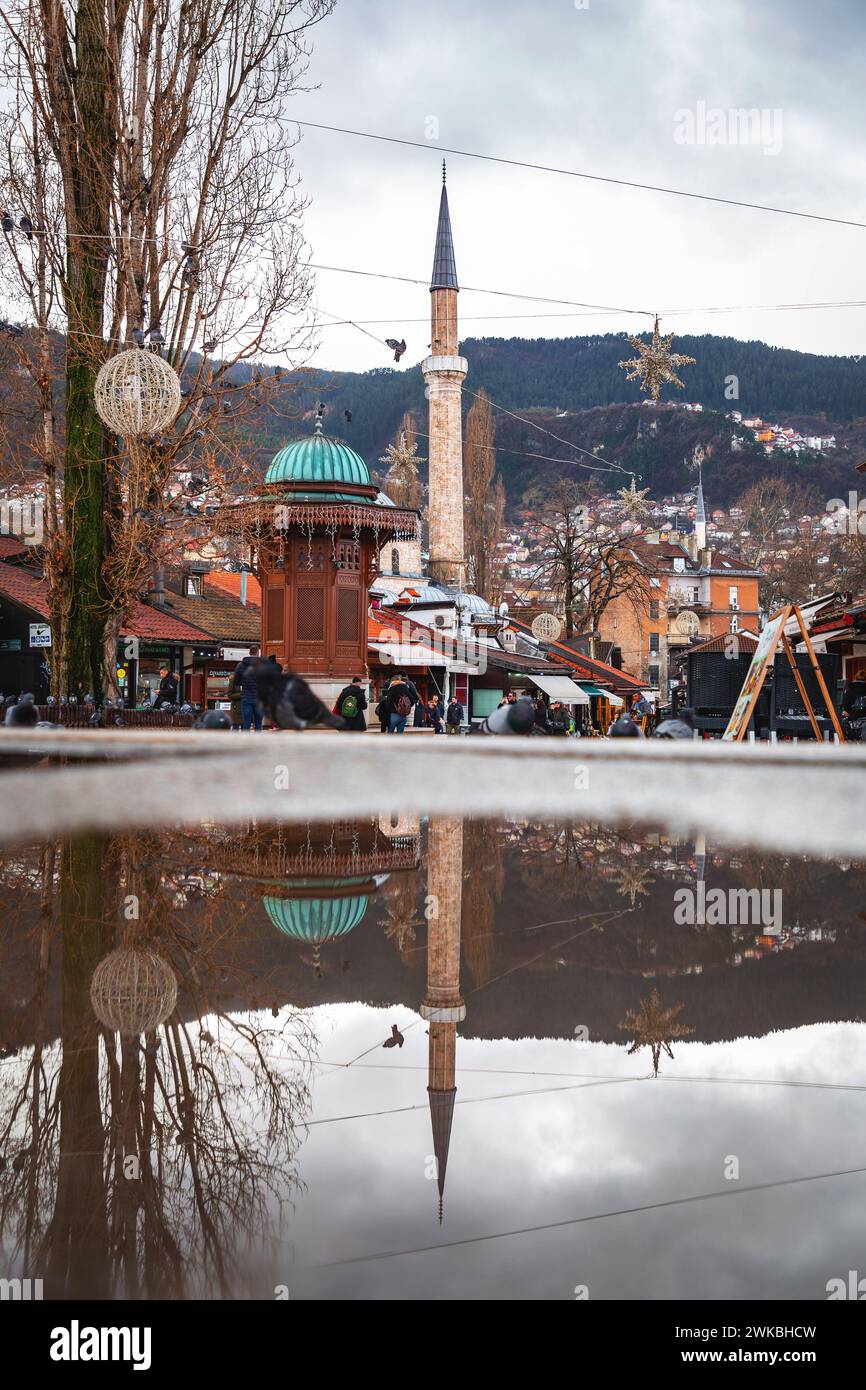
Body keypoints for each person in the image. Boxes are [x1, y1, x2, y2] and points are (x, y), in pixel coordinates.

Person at [233, 644, 264, 731]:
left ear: (249, 652)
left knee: (246, 724)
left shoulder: (240, 665)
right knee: (258, 725)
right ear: (258, 652)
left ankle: (245, 743)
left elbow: (237, 682)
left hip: (246, 697)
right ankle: (257, 743)